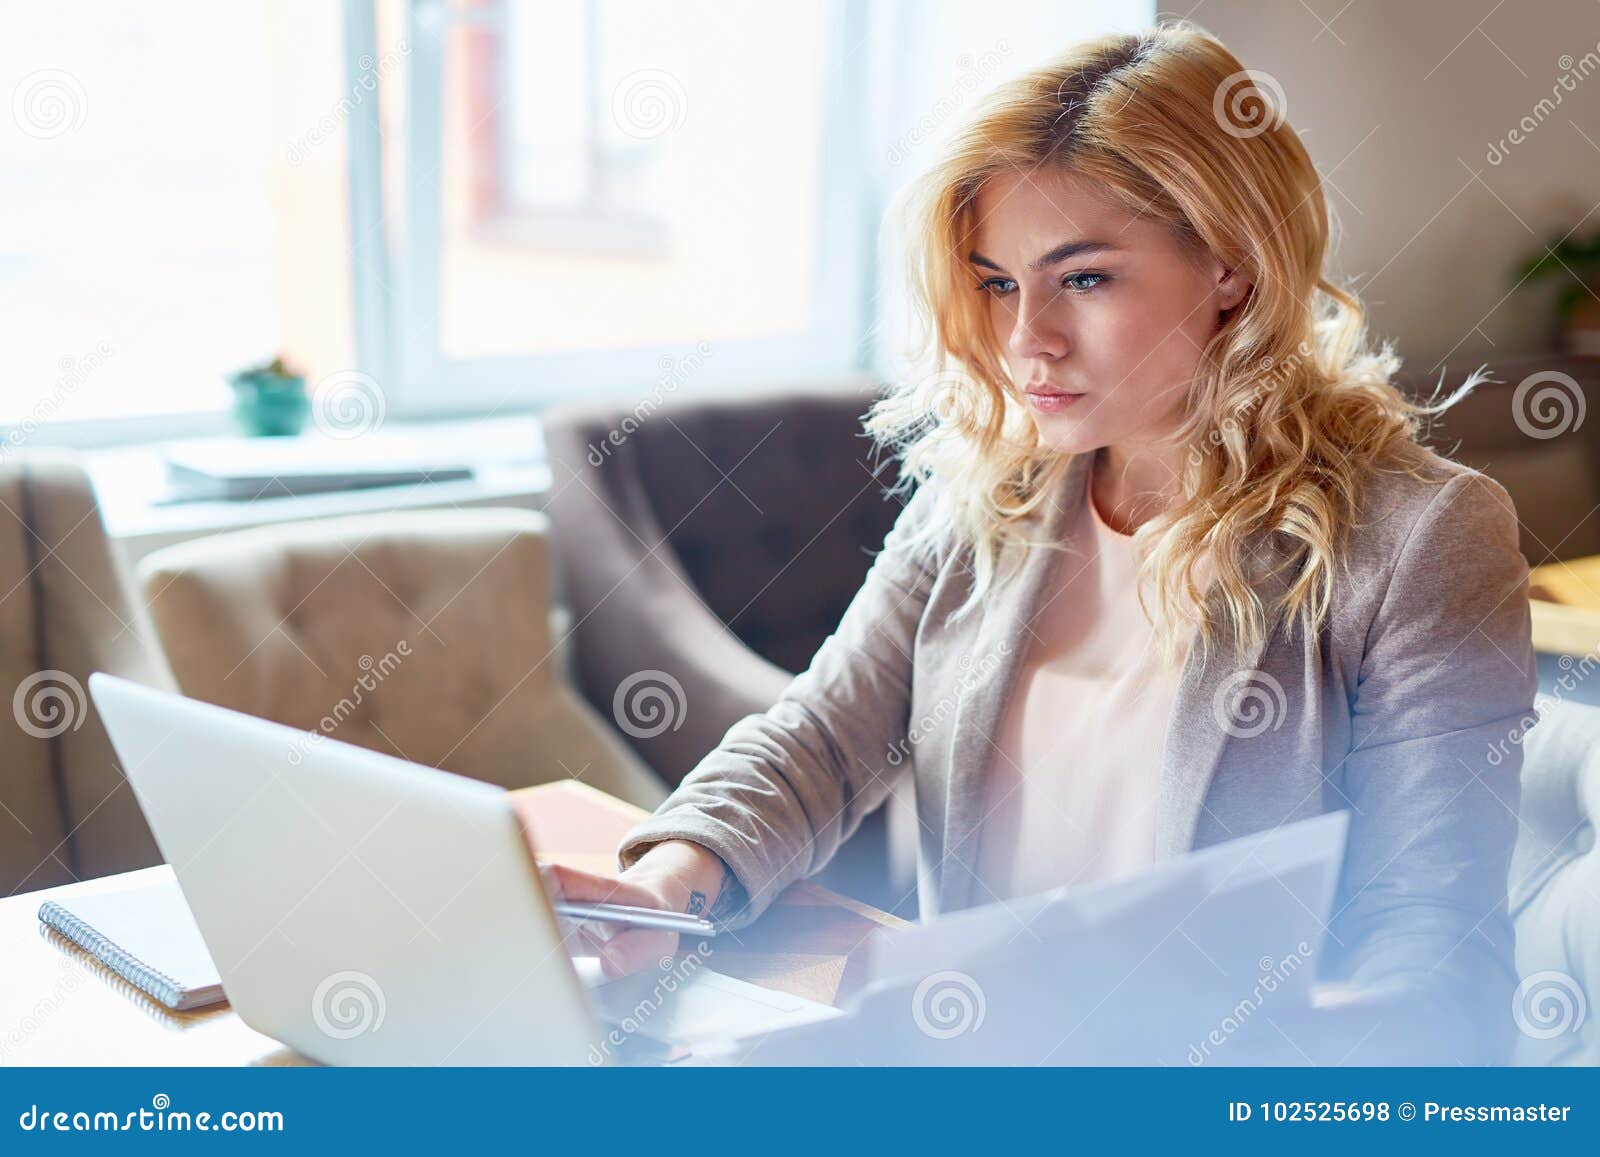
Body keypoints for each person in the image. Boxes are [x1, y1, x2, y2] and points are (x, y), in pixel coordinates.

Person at [546, 20, 1537, 1065]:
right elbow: (823, 740)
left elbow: (1431, 962)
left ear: (1234, 270)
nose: (1027, 340)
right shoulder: (991, 495)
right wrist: (665, 884)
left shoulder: (1419, 535)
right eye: (997, 282)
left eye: (1085, 278)